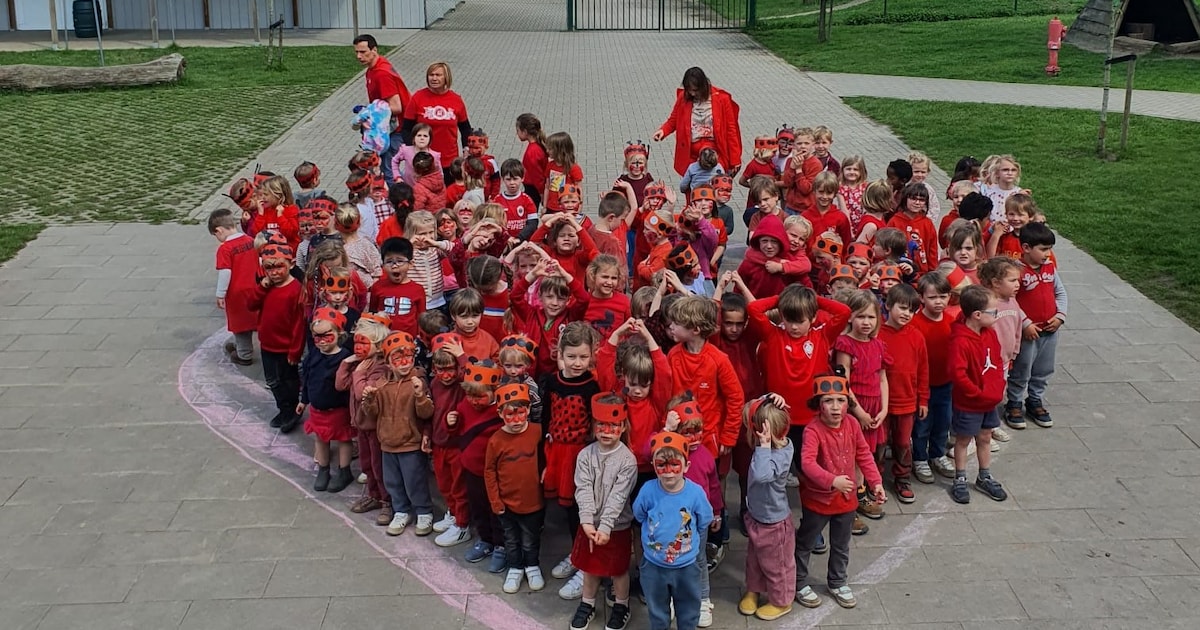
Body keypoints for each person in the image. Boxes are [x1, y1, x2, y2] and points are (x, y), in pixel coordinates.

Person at [795, 371, 886, 610]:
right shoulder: (812, 430)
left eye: (841, 400)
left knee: (841, 544)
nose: (835, 407)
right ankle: (799, 582)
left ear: (849, 403)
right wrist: (832, 480)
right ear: (818, 404)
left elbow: (864, 454)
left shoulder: (853, 423)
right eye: (828, 401)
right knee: (805, 542)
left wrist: (875, 482)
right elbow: (807, 463)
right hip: (818, 501)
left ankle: (837, 581)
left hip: (846, 501)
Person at [568, 393, 638, 630]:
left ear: (622, 427)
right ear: (594, 426)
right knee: (589, 568)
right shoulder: (585, 455)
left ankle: (621, 605)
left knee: (618, 570)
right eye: (602, 425)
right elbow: (583, 488)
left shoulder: (627, 460)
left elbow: (619, 497)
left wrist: (606, 526)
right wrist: (587, 521)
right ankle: (587, 603)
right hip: (589, 525)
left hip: (616, 527)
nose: (607, 431)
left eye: (613, 426)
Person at [633, 431, 714, 630]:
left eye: (674, 465)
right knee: (658, 613)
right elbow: (639, 514)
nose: (668, 471)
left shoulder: (695, 493)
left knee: (689, 612)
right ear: (653, 465)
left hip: (687, 566)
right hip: (654, 566)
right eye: (662, 465)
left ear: (686, 466)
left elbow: (704, 520)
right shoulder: (648, 491)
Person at [362, 331, 435, 536]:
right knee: (392, 481)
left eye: (408, 357)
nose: (404, 362)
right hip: (387, 443)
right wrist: (368, 400)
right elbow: (373, 413)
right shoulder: (381, 384)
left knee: (415, 481)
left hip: (410, 443)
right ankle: (401, 510)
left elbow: (426, 413)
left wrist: (421, 396)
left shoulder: (417, 381)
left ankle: (424, 511)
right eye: (398, 358)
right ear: (388, 362)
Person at [484, 383, 546, 595]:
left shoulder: (537, 432)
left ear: (528, 410)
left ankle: (532, 565)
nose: (517, 420)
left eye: (521, 413)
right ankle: (515, 567)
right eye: (510, 414)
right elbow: (489, 472)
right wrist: (495, 501)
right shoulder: (496, 440)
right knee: (511, 539)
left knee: (530, 539)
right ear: (500, 413)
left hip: (534, 502)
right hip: (507, 504)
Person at [948, 285, 1009, 504]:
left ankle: (984, 475)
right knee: (963, 440)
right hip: (970, 402)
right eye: (993, 312)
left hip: (988, 400)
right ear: (977, 315)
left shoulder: (989, 333)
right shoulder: (960, 341)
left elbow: (998, 359)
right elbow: (958, 375)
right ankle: (960, 478)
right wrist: (977, 393)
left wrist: (998, 386)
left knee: (985, 436)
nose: (996, 315)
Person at [738, 394, 795, 621]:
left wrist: (762, 447)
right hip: (757, 517)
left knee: (777, 566)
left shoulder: (780, 453)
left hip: (774, 524)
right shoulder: (772, 445)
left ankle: (781, 601)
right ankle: (754, 590)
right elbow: (760, 406)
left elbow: (762, 475)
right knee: (754, 561)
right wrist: (772, 397)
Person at [1005, 222, 1066, 430]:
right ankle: (1014, 402)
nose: (1048, 254)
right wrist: (1026, 323)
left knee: (1044, 369)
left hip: (1050, 332)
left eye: (1049, 248)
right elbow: (1011, 300)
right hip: (1028, 333)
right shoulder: (1017, 271)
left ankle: (1035, 400)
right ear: (1026, 248)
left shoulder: (1050, 268)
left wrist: (1060, 315)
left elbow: (1060, 292)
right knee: (1022, 369)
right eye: (1043, 249)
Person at [877, 283, 929, 504]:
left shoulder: (917, 337)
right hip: (880, 403)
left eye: (911, 310)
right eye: (902, 307)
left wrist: (923, 399)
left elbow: (923, 370)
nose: (906, 314)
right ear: (888, 305)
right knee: (878, 443)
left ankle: (902, 478)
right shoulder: (877, 333)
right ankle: (875, 479)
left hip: (907, 402)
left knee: (902, 442)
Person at [337, 315, 392, 518]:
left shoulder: (380, 367)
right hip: (360, 425)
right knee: (366, 464)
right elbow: (340, 385)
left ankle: (387, 501)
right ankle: (373, 495)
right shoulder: (358, 363)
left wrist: (358, 373)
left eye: (363, 342)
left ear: (377, 345)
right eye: (357, 341)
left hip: (375, 427)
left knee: (379, 466)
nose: (358, 346)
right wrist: (346, 363)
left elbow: (363, 393)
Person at [248, 243, 305, 434]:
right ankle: (284, 409)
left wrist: (295, 351)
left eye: (279, 266)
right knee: (272, 380)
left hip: (286, 347)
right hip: (267, 344)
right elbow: (251, 304)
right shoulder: (266, 286)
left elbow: (299, 324)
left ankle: (292, 410)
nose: (274, 272)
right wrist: (262, 287)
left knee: (289, 381)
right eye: (269, 268)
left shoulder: (296, 289)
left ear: (290, 264)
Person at [299, 308, 355, 493]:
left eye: (327, 337)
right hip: (317, 408)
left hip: (339, 409)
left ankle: (344, 470)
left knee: (344, 439)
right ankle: (323, 469)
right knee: (320, 439)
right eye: (317, 337)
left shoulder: (345, 357)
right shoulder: (313, 355)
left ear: (339, 334)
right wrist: (303, 400)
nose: (322, 341)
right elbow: (307, 379)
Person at [909, 271, 958, 482]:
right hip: (923, 386)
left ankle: (937, 454)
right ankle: (920, 458)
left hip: (945, 383)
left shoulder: (951, 321)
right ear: (921, 298)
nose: (939, 301)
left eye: (943, 296)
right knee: (922, 425)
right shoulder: (915, 324)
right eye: (933, 297)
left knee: (943, 422)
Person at [653, 67, 742, 179]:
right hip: (691, 156)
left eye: (695, 90)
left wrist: (735, 159)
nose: (692, 94)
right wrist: (663, 131)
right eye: (689, 90)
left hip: (715, 156)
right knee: (691, 189)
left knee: (716, 189)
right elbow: (674, 119)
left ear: (703, 86)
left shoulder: (722, 99)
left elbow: (731, 130)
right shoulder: (683, 98)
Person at [401, 62, 473, 182]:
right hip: (423, 161)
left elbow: (465, 128)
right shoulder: (418, 98)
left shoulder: (456, 100)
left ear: (446, 77)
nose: (434, 78)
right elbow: (406, 129)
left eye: (438, 75)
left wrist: (466, 149)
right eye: (431, 75)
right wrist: (413, 150)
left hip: (449, 160)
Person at [354, 35, 411, 184]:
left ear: (374, 50)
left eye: (363, 52)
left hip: (394, 131)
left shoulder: (382, 73)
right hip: (385, 129)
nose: (359, 56)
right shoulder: (372, 69)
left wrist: (370, 113)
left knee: (388, 171)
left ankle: (396, 204)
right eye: (356, 52)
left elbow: (397, 107)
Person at [208, 208, 259, 366]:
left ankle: (244, 353)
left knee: (240, 324)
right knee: (254, 320)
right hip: (255, 289)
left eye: (216, 235)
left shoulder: (225, 249)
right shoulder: (250, 240)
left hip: (237, 293)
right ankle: (242, 347)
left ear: (219, 230)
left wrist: (220, 294)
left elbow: (225, 273)